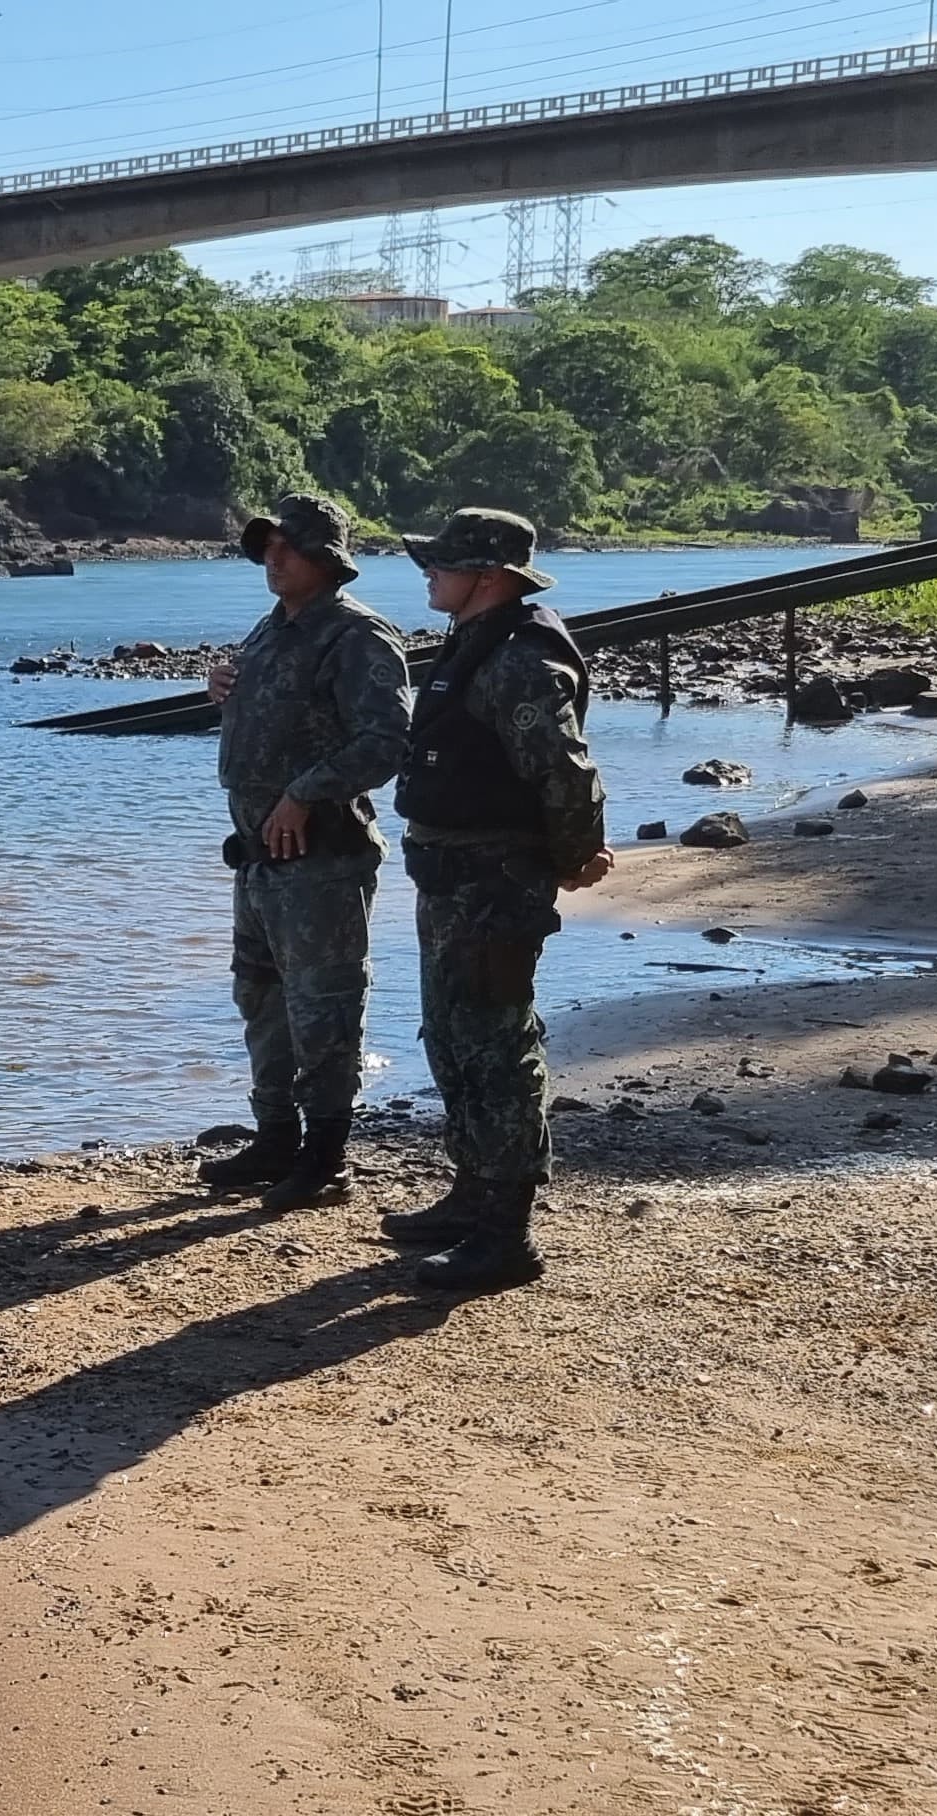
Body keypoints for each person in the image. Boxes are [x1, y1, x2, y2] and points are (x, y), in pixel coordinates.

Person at [385, 508, 612, 1291]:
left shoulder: (520, 655)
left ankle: (506, 1235)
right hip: (450, 872)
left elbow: (564, 766)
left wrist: (576, 854)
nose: (429, 573)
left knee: (495, 1043)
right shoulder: (475, 639)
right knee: (451, 1035)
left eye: (442, 564)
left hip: (495, 878)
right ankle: (472, 1195)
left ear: (489, 575)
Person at [198, 493, 412, 1213]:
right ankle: (275, 1139)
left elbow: (386, 742)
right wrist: (223, 687)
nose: (272, 557)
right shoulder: (273, 629)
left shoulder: (356, 636)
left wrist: (305, 794)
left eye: (286, 546)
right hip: (259, 858)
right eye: (266, 546)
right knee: (260, 997)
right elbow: (274, 718)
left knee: (323, 1006)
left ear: (324, 556)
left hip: (322, 856)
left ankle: (325, 1157)